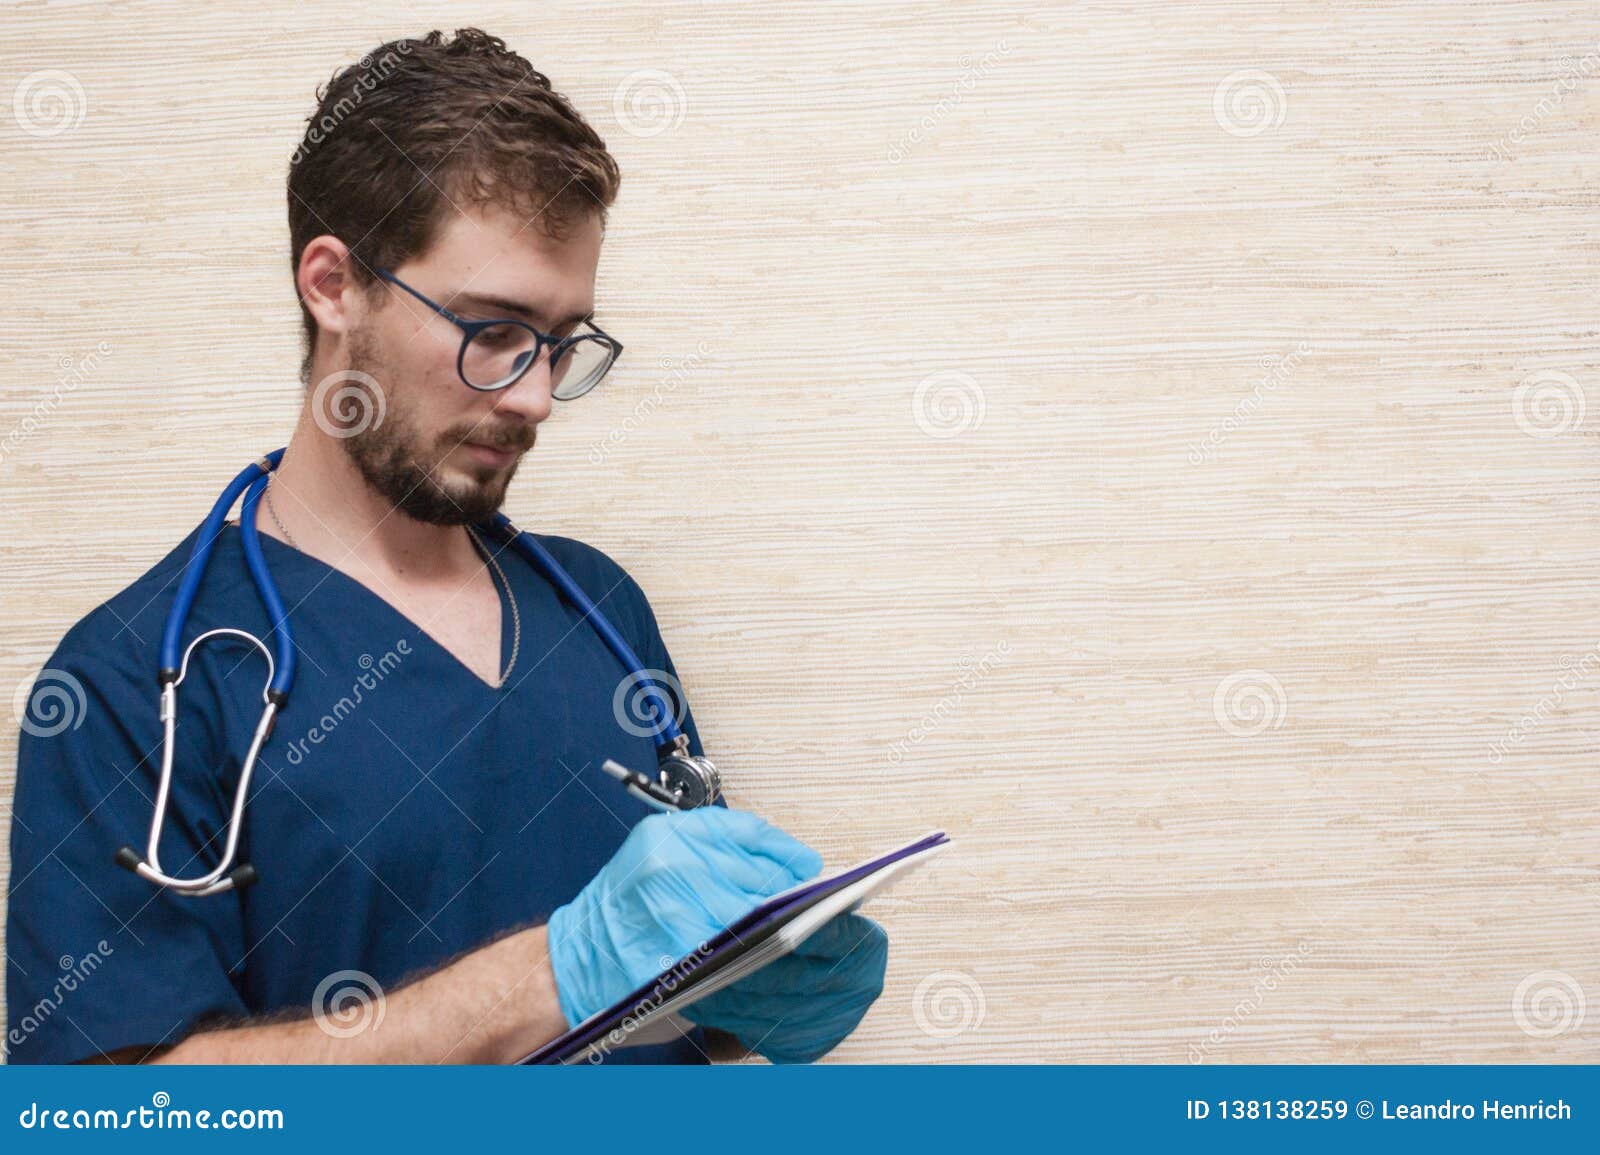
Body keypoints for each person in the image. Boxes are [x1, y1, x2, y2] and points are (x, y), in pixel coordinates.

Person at [4, 27, 888, 1065]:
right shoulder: (138, 682)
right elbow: (116, 1114)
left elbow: (669, 977)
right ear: (333, 285)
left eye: (564, 343)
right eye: (493, 329)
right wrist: (550, 973)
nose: (535, 396)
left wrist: (748, 984)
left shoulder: (598, 610)